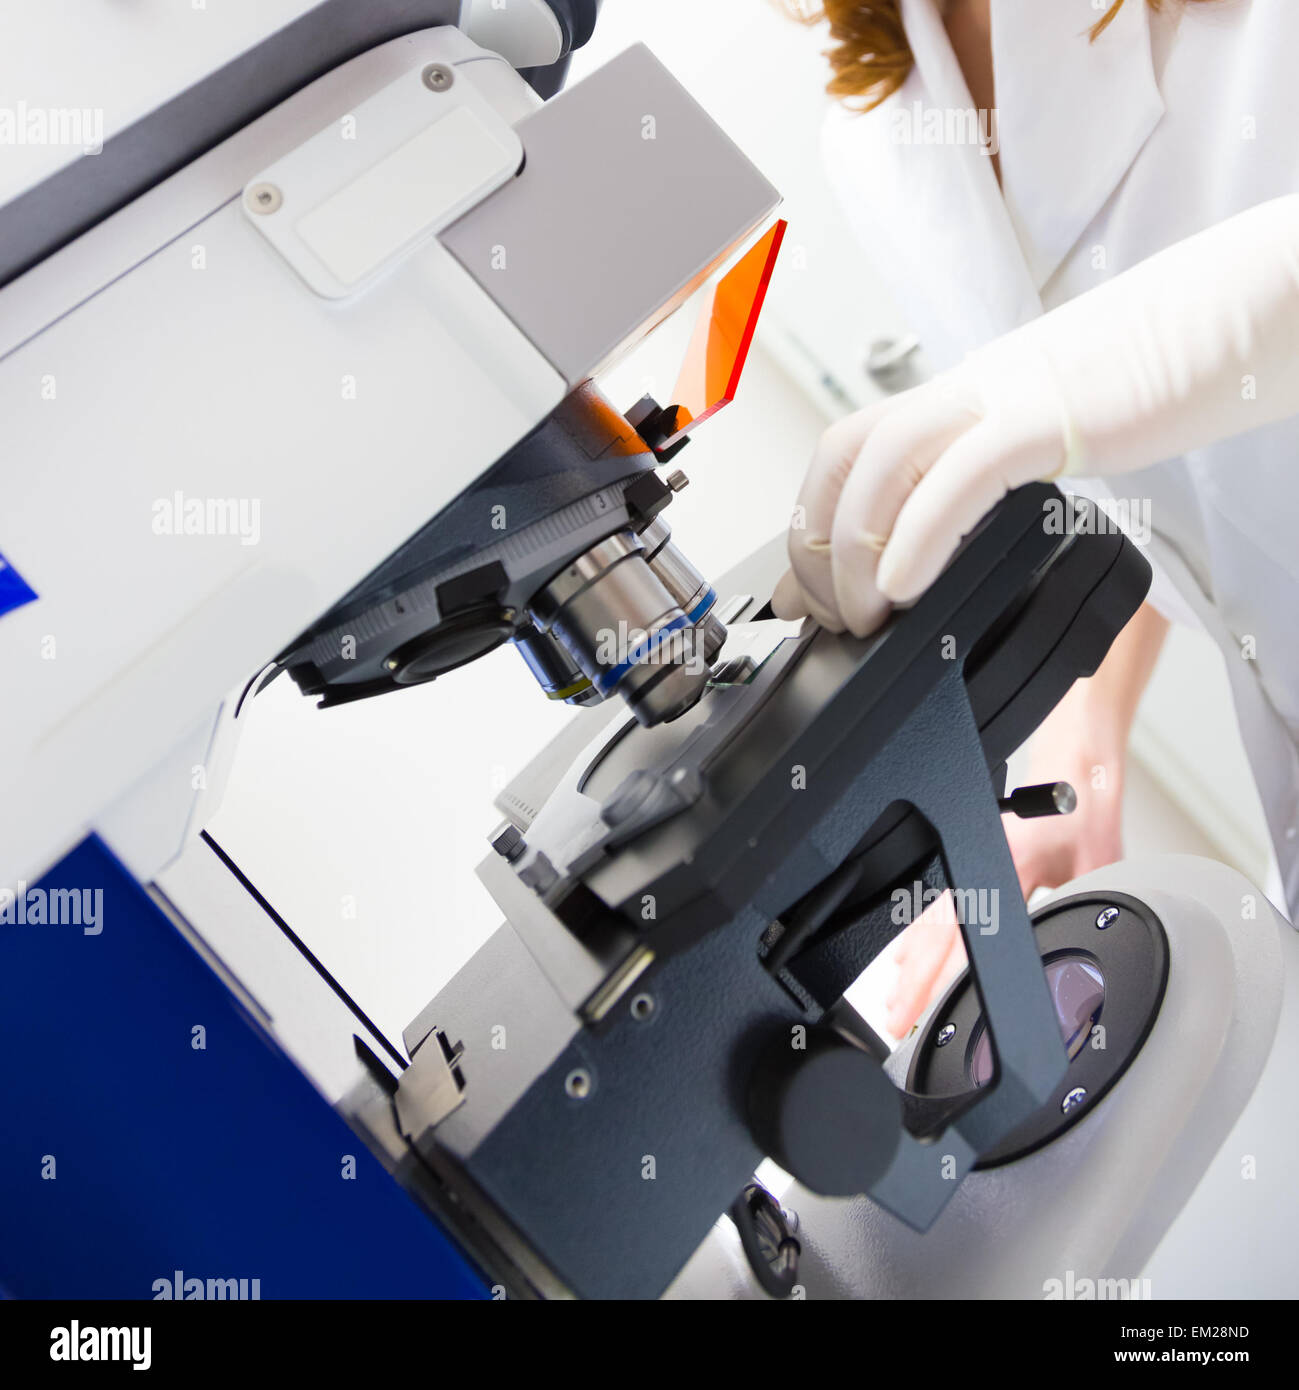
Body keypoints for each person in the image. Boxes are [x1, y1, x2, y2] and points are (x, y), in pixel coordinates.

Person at [773, 0, 1299, 1036]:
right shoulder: (884, 131)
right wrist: (1082, 736)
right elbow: (1157, 470)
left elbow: (1117, 376)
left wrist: (1056, 381)